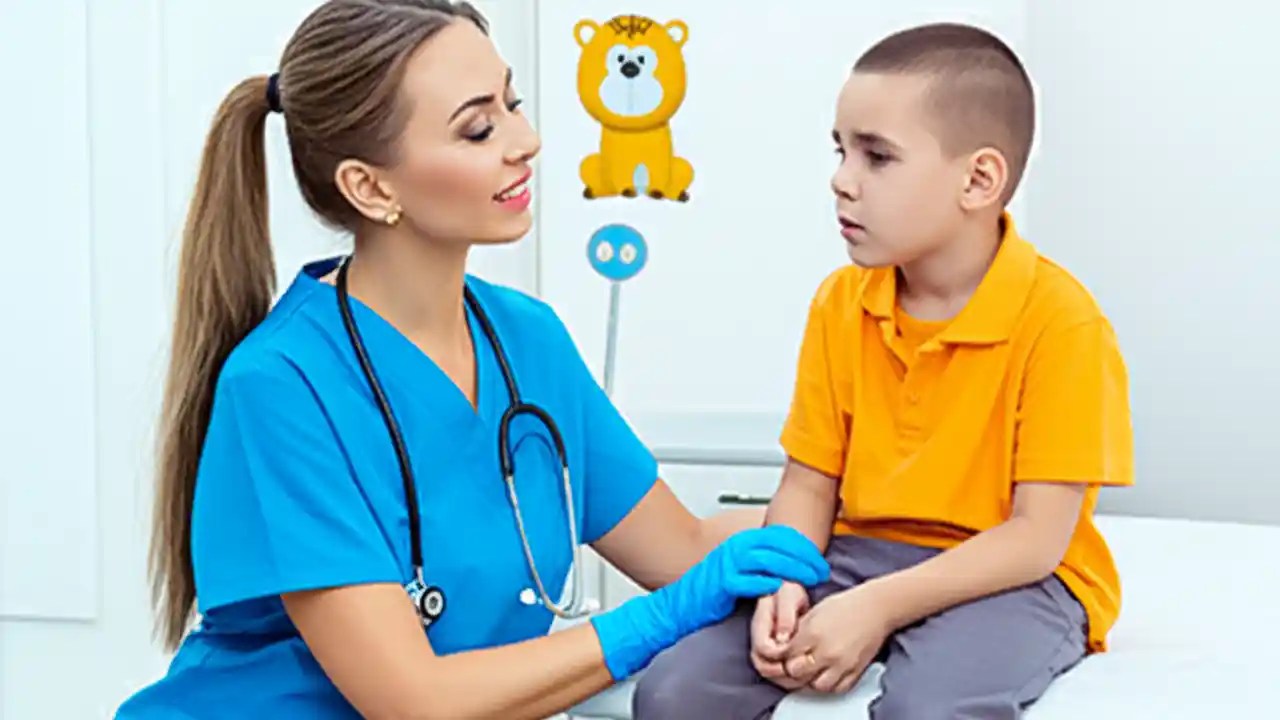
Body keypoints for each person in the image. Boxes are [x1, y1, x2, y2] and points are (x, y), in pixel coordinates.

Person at [112, 2, 832, 718]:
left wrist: (851, 525)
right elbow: (415, 701)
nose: (526, 141)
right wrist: (660, 619)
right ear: (370, 187)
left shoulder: (527, 340)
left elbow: (686, 551)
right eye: (479, 128)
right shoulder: (282, 386)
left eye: (512, 103)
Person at [633, 21, 1135, 720]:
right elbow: (809, 483)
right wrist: (785, 582)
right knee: (675, 690)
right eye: (840, 151)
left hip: (1014, 578)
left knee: (928, 710)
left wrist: (876, 607)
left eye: (877, 157)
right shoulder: (841, 304)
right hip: (855, 553)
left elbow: (1036, 539)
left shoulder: (1062, 322)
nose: (841, 180)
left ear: (979, 179)